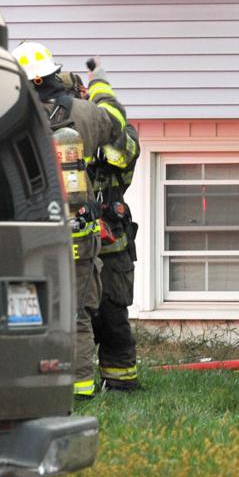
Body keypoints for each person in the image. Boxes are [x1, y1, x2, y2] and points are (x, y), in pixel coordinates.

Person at [12, 41, 128, 400]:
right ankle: (79, 388)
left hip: (28, 234)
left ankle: (32, 384)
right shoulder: (84, 112)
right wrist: (100, 85)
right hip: (79, 232)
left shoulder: (10, 116)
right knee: (76, 312)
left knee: (26, 312)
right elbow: (118, 124)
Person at [88, 117, 141, 392]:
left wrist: (97, 140)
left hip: (112, 251)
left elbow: (127, 151)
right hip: (66, 248)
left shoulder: (117, 130)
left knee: (113, 317)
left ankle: (121, 382)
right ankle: (76, 383)